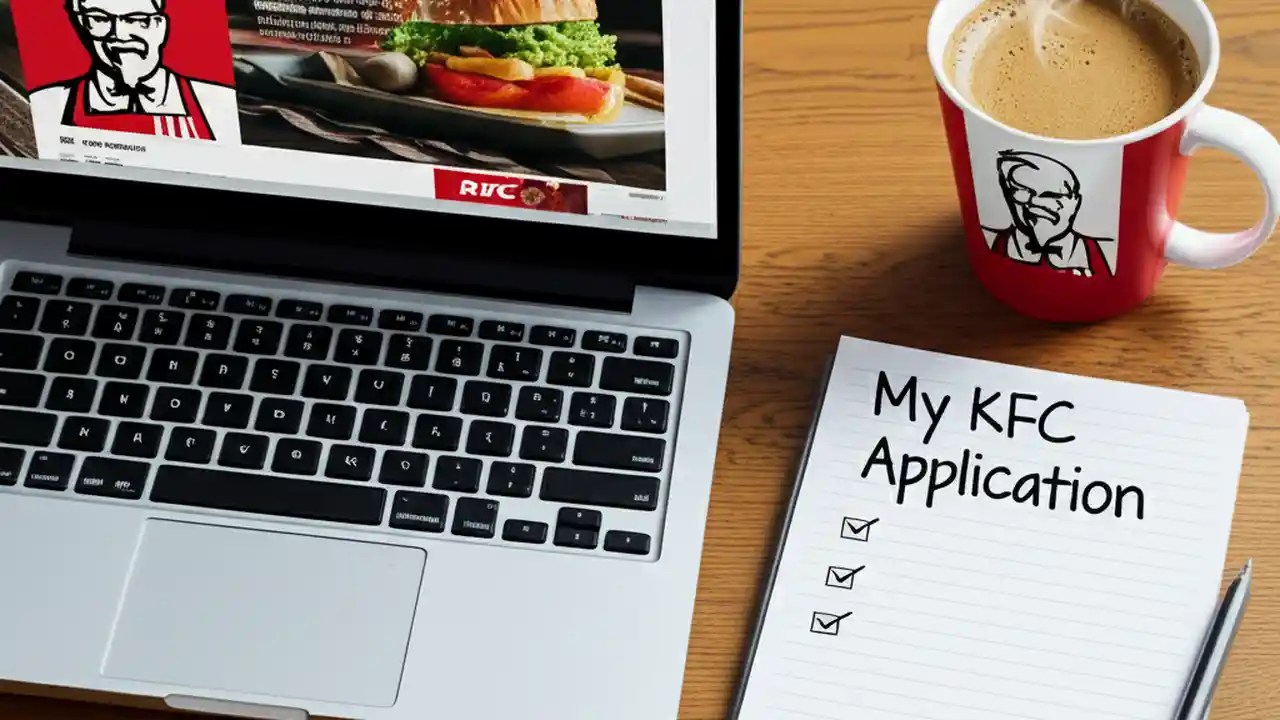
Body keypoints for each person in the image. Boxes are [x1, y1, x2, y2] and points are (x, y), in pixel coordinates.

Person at [30, 0, 237, 140]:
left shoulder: (216, 101)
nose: (120, 34)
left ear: (160, 26)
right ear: (82, 25)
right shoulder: (50, 103)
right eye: (100, 18)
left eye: (137, 19)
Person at [982, 150, 1116, 278]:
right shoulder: (993, 241)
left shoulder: (1101, 251)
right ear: (1009, 196)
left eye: (1052, 195)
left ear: (1075, 202)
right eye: (1024, 192)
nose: (1035, 203)